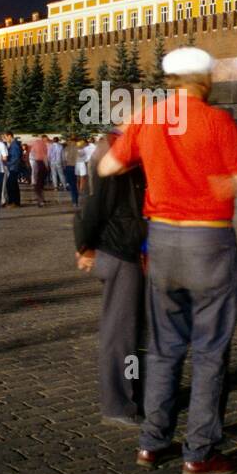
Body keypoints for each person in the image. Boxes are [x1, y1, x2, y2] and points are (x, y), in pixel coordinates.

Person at [99, 47, 237, 474]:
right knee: (209, 350)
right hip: (209, 241)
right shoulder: (217, 120)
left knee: (165, 349)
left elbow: (109, 166)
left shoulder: (147, 118)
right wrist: (222, 184)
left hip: (162, 239)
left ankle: (152, 443)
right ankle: (199, 453)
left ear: (170, 81)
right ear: (203, 80)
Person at [74, 121, 147, 427]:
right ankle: (118, 404)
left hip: (130, 247)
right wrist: (84, 246)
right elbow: (92, 204)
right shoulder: (112, 149)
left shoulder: (128, 146)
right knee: (121, 332)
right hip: (119, 249)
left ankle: (134, 395)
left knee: (134, 329)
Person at [29, 134, 50, 207]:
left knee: (38, 184)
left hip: (37, 163)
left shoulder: (36, 144)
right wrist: (47, 166)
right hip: (42, 164)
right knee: (40, 184)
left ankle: (40, 200)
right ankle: (41, 200)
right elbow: (45, 156)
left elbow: (32, 155)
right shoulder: (44, 145)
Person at [4, 131, 23, 208]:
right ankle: (16, 202)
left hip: (14, 167)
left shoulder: (14, 145)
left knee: (10, 184)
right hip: (14, 167)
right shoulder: (13, 144)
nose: (5, 139)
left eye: (5, 137)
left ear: (9, 136)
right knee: (13, 184)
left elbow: (16, 158)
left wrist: (7, 163)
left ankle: (14, 202)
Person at [62, 136, 80, 207]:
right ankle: (76, 200)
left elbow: (64, 159)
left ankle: (74, 201)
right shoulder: (79, 149)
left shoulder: (66, 149)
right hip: (77, 167)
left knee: (72, 185)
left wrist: (64, 167)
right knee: (76, 185)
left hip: (69, 167)